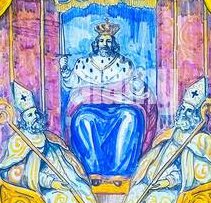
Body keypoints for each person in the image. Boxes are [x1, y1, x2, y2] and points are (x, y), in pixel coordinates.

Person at [114, 79, 211, 203]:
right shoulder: (174, 134)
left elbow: (204, 173)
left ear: (197, 116)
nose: (184, 115)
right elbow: (160, 160)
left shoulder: (202, 141)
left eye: (190, 112)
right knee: (137, 191)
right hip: (162, 181)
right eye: (183, 111)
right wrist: (154, 175)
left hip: (182, 189)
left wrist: (170, 180)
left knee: (159, 199)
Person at [0, 83, 101, 203]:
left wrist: (72, 177)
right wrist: (52, 183)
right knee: (64, 200)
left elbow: (64, 159)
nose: (35, 117)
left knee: (82, 190)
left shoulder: (47, 136)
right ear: (22, 120)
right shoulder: (18, 142)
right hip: (42, 188)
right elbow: (15, 174)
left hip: (62, 179)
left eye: (35, 113)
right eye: (30, 115)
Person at [60, 21, 156, 177]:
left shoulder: (124, 64)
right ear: (96, 44)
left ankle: (121, 171)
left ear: (114, 44)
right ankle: (93, 171)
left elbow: (134, 89)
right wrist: (64, 69)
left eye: (108, 41)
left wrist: (138, 83)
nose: (104, 44)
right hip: (89, 107)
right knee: (82, 120)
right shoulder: (83, 64)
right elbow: (72, 83)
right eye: (102, 41)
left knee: (131, 117)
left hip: (119, 105)